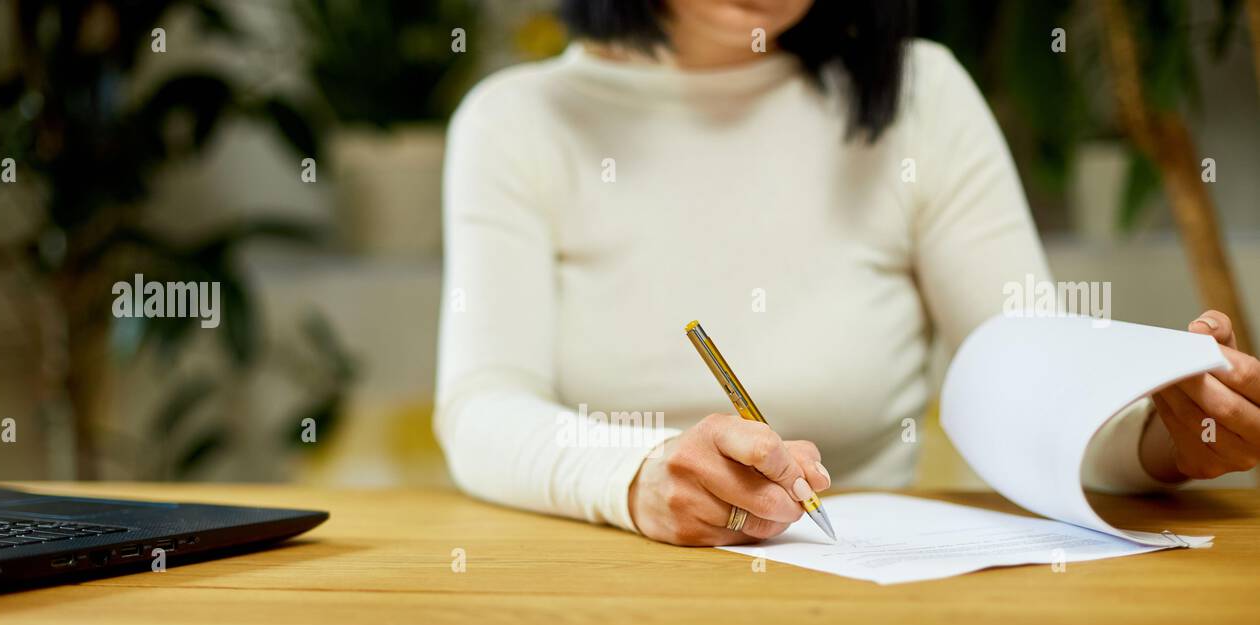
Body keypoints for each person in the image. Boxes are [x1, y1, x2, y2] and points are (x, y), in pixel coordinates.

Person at [434, 0, 1260, 545]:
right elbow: (480, 410)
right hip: (593, 598)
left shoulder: (922, 95)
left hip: (861, 599)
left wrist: (1165, 437)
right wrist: (637, 478)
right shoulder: (518, 122)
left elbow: (1026, 391)